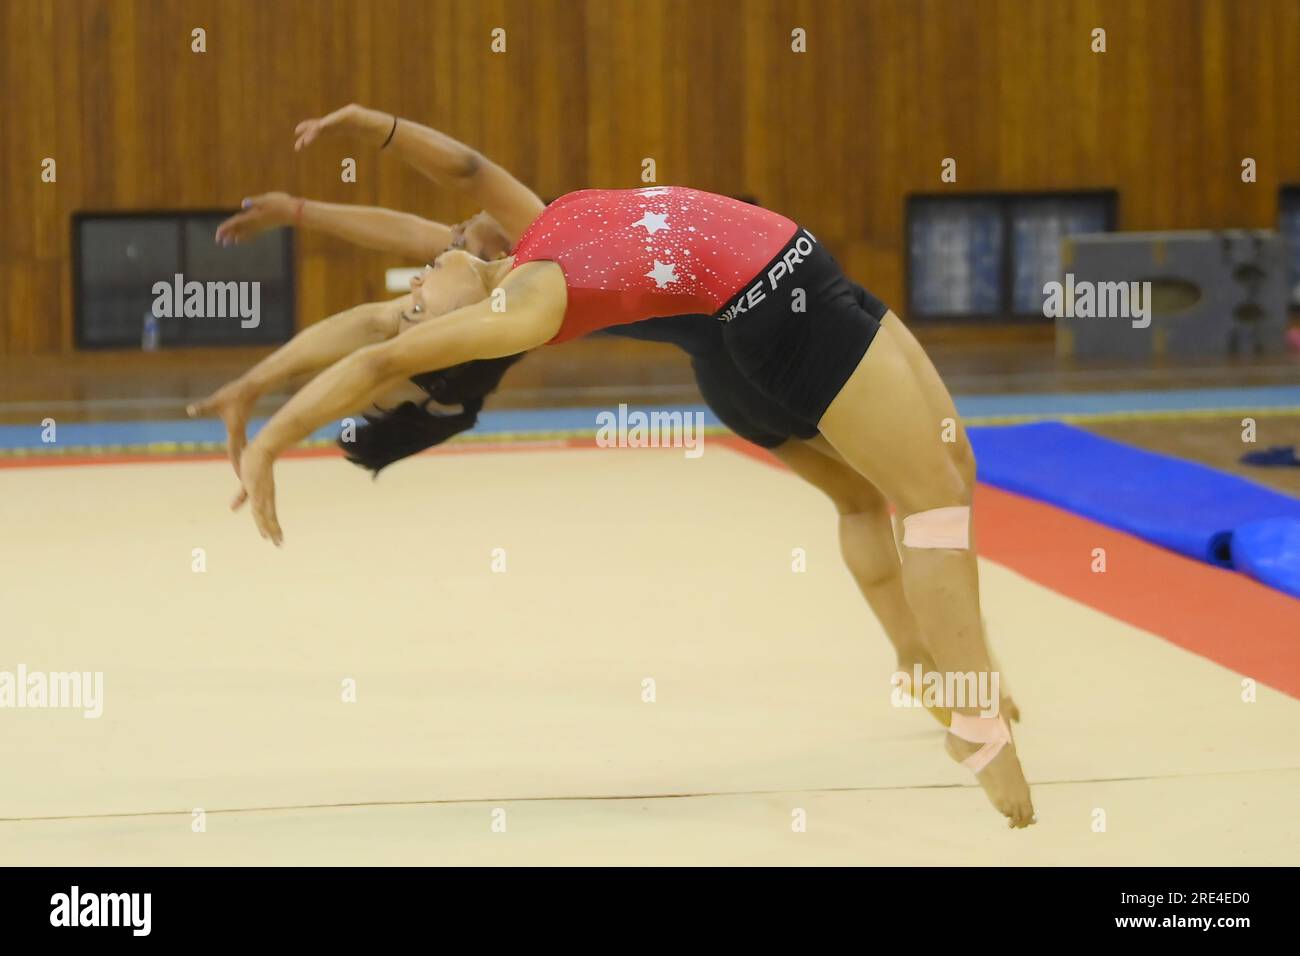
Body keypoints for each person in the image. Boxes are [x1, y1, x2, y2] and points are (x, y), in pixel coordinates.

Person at [197, 107, 1033, 827]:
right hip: (771, 312)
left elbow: (464, 167)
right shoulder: (524, 306)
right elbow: (378, 356)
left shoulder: (523, 240)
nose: (415, 280)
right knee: (929, 506)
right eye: (416, 307)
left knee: (948, 471)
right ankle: (975, 720)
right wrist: (274, 437)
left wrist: (366, 130)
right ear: (453, 337)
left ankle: (927, 662)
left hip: (797, 282)